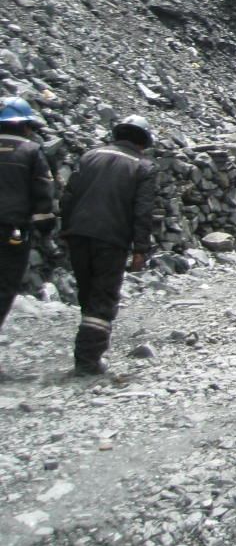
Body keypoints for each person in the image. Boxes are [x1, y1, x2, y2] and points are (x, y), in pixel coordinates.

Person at [60, 115, 156, 375]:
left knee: (87, 291)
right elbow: (142, 211)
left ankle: (87, 350)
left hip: (78, 233)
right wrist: (140, 249)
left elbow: (69, 195)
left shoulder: (89, 157)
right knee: (103, 296)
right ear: (143, 142)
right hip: (111, 239)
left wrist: (65, 231)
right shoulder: (142, 167)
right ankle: (88, 360)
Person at [0, 99, 54, 334]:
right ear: (26, 126)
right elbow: (43, 191)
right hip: (12, 230)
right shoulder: (31, 151)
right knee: (4, 286)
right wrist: (45, 228)